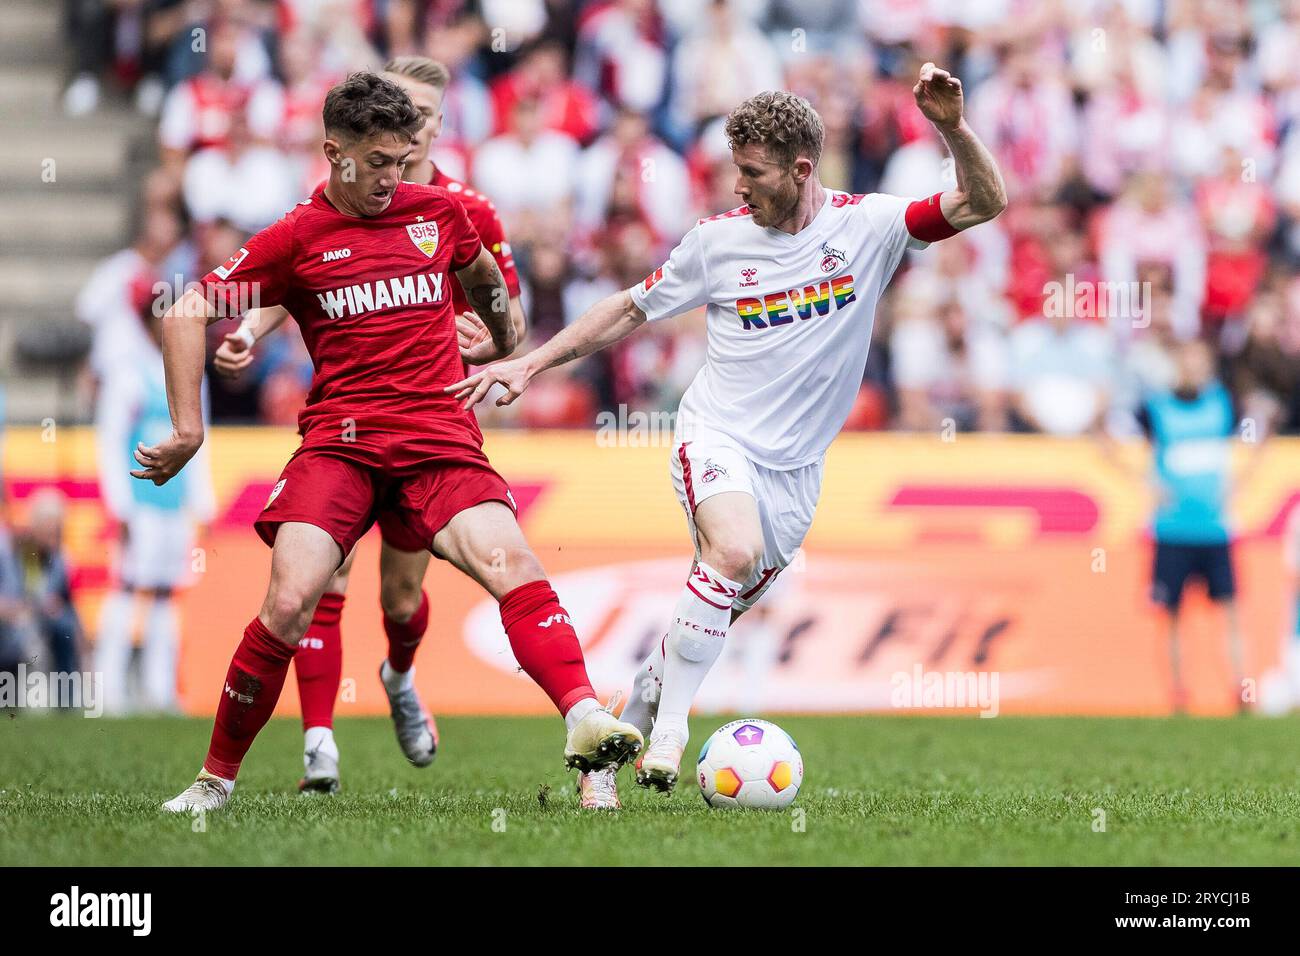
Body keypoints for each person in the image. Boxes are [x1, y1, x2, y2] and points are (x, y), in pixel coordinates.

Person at [449, 65, 1006, 800]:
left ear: (801, 169)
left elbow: (985, 202)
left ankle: (604, 769)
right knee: (730, 551)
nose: (737, 187)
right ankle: (674, 731)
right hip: (716, 435)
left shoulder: (869, 227)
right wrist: (534, 364)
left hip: (796, 475)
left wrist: (952, 127)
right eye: (732, 170)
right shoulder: (717, 242)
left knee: (701, 618)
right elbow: (628, 309)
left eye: (751, 172)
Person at [134, 72, 641, 814]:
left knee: (511, 561)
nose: (391, 179)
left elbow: (488, 278)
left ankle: (583, 716)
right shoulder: (297, 236)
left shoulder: (439, 214)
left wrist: (503, 344)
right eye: (376, 163)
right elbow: (185, 312)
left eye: (402, 162)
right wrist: (188, 430)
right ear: (333, 153)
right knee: (289, 599)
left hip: (437, 439)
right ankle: (216, 779)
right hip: (339, 445)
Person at [211, 56, 526, 797]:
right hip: (351, 419)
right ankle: (320, 744)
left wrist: (489, 339)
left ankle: (399, 672)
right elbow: (303, 271)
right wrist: (252, 330)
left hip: (432, 421)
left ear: (437, 126)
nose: (408, 133)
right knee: (320, 577)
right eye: (397, 116)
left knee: (401, 597)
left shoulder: (465, 210)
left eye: (421, 118)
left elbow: (504, 305)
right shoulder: (347, 192)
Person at [1102, 339, 1262, 714]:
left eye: (1199, 362)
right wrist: (1141, 482)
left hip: (1216, 529)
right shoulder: (1154, 409)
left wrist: (1243, 479)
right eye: (1186, 362)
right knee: (1171, 615)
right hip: (1171, 530)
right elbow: (1107, 436)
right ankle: (1178, 694)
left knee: (1232, 610)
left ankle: (1241, 689)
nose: (1193, 369)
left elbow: (1261, 432)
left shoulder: (1225, 403)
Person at [95, 270, 216, 715]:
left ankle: (161, 690)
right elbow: (109, 440)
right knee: (129, 585)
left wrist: (202, 501)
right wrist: (119, 502)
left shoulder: (191, 371)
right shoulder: (126, 372)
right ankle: (107, 691)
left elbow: (202, 439)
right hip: (141, 498)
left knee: (167, 591)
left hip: (175, 501)